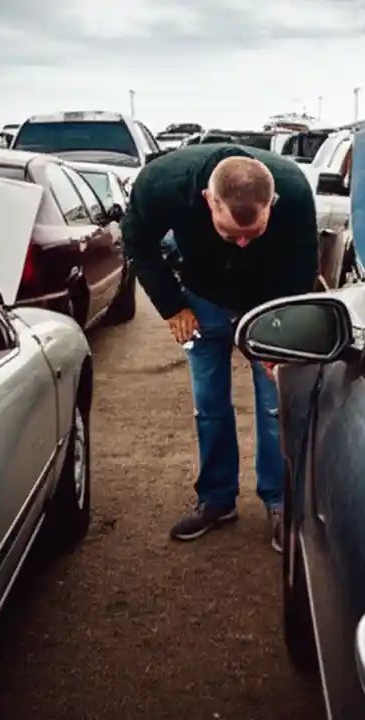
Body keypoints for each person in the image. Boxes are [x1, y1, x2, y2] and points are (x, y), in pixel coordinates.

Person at [121, 143, 318, 552]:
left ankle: (280, 503)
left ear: (273, 204)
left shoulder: (295, 192)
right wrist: (171, 306)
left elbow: (302, 268)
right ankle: (216, 498)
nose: (241, 244)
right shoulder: (162, 184)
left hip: (267, 303)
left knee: (275, 405)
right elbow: (137, 245)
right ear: (209, 200)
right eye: (230, 232)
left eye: (254, 233)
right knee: (209, 403)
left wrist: (282, 334)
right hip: (202, 300)